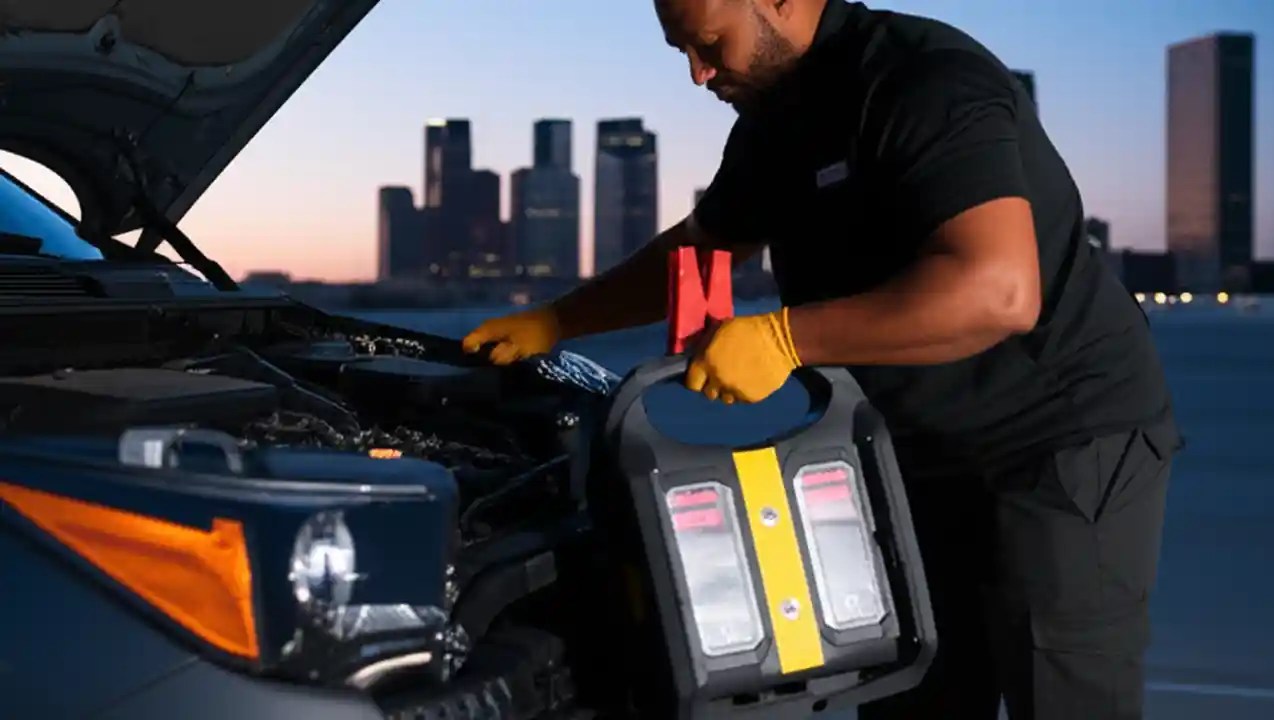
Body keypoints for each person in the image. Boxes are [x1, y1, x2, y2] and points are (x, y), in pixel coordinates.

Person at [463, 0, 1183, 717]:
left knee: (1059, 691)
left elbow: (996, 291)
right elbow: (703, 249)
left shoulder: (922, 81)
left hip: (1057, 441)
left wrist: (782, 339)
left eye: (709, 43)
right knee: (907, 692)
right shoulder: (776, 122)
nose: (696, 73)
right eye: (681, 51)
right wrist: (558, 320)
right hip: (914, 454)